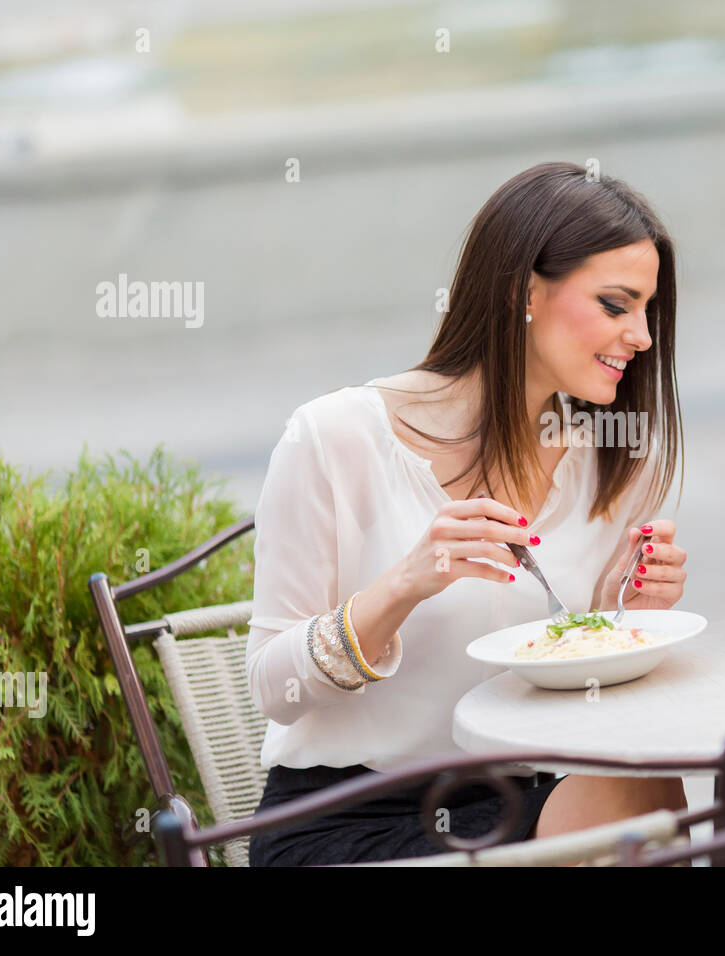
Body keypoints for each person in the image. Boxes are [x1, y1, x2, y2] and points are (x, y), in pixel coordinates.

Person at [246, 161, 689, 865]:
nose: (641, 336)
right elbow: (274, 687)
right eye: (615, 305)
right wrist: (404, 584)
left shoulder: (608, 465)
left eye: (647, 310)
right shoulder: (337, 438)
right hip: (349, 817)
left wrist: (615, 618)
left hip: (520, 802)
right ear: (524, 292)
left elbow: (593, 709)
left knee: (644, 795)